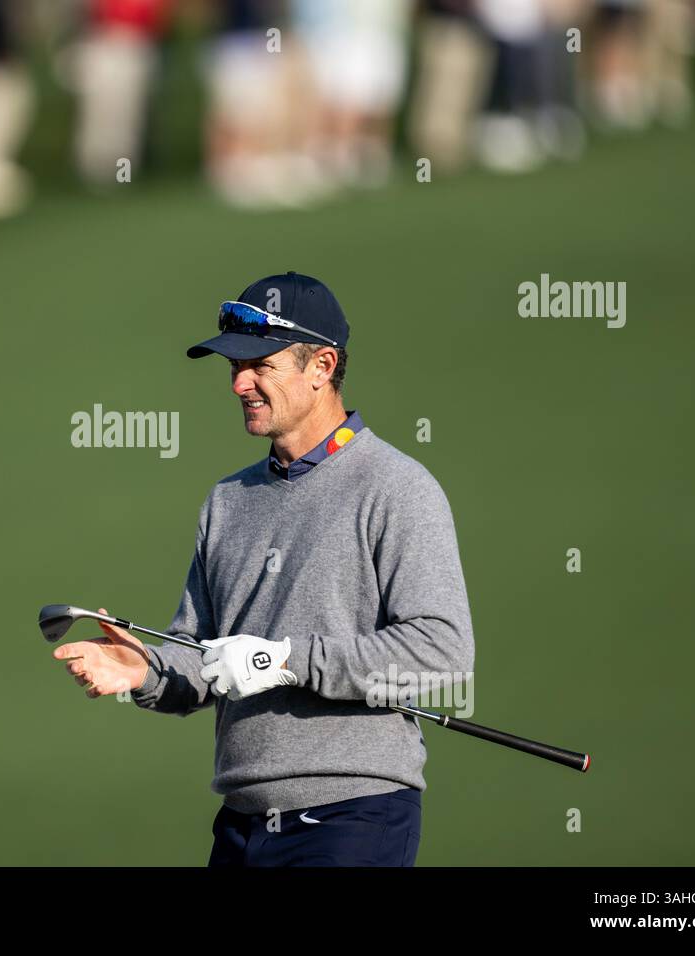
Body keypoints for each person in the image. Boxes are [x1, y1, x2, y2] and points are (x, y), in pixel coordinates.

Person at [52, 272, 475, 866]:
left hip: (353, 816)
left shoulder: (398, 489)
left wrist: (285, 661)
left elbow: (443, 653)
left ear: (322, 366)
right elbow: (204, 658)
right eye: (233, 368)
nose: (239, 384)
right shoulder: (228, 500)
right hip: (241, 826)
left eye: (261, 366)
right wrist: (145, 672)